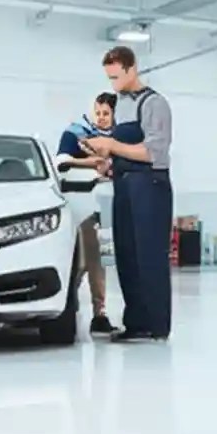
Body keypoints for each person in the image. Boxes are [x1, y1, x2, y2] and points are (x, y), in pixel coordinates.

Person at [82, 46, 173, 343]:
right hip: (123, 184)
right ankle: (136, 322)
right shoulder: (120, 104)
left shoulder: (154, 104)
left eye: (117, 77)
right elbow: (124, 150)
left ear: (132, 69)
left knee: (150, 257)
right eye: (109, 78)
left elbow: (153, 151)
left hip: (150, 185)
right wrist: (107, 162)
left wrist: (111, 146)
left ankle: (157, 326)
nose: (113, 84)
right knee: (127, 255)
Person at [56, 92, 119, 334]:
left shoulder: (119, 138)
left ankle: (98, 312)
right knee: (83, 261)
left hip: (107, 209)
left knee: (102, 260)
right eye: (99, 112)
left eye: (106, 113)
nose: (102, 118)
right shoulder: (76, 132)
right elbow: (61, 161)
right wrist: (94, 162)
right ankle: (78, 306)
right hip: (81, 206)